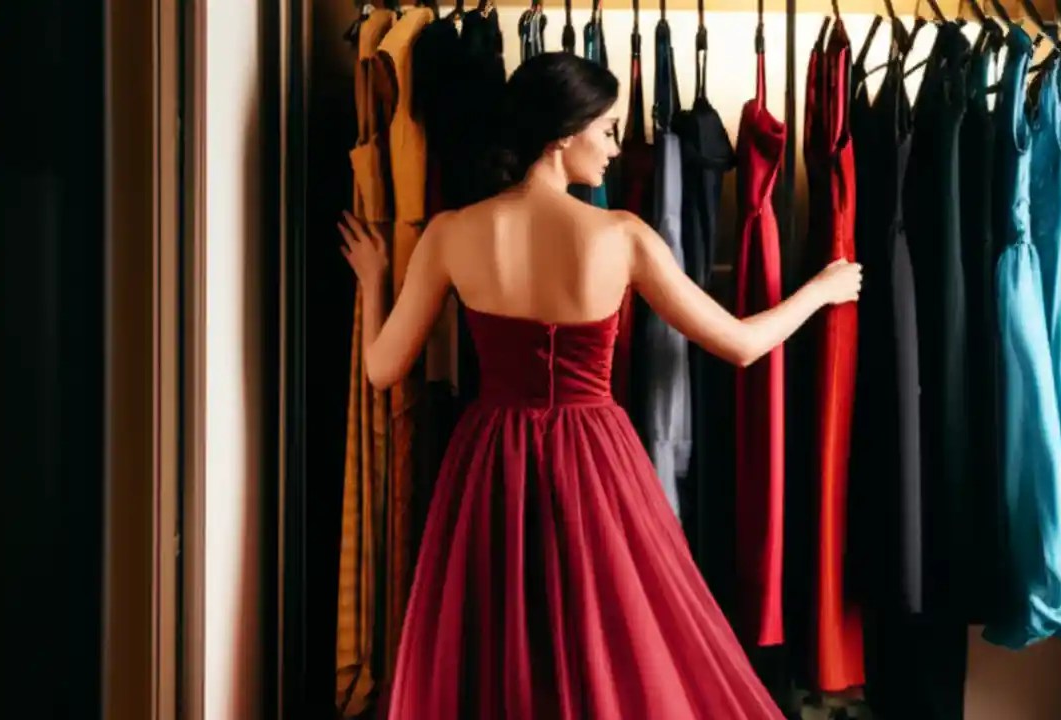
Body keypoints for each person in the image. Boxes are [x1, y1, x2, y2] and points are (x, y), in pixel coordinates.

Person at [337, 51, 861, 720]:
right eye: (608, 129)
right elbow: (740, 344)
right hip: (593, 459)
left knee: (502, 645)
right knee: (605, 640)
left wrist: (376, 281)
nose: (616, 147)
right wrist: (820, 290)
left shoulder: (450, 233)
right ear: (564, 133)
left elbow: (383, 369)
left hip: (489, 458)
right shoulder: (622, 237)